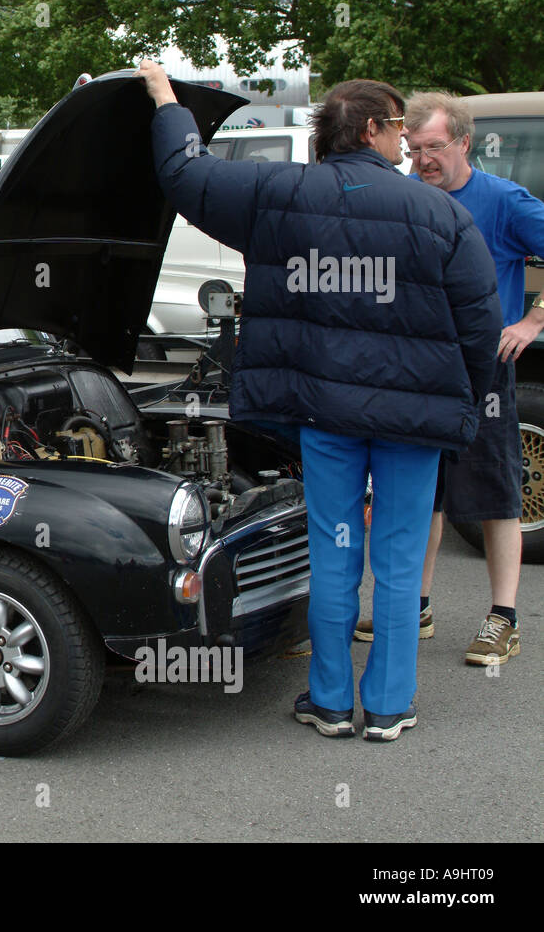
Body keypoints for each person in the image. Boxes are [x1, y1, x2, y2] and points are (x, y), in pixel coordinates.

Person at [136, 60, 501, 741]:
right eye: (397, 127)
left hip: (324, 415)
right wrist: (464, 400)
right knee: (395, 557)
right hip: (412, 423)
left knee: (334, 550)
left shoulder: (277, 194)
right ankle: (389, 705)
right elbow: (480, 322)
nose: (405, 141)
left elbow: (185, 175)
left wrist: (165, 98)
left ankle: (330, 700)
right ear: (368, 129)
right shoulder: (440, 213)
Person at [363, 91, 544, 666]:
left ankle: (503, 621)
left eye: (434, 148)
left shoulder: (504, 201)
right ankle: (416, 607)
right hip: (420, 371)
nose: (422, 160)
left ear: (464, 143)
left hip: (484, 370)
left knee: (494, 496)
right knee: (423, 493)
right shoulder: (408, 198)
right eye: (414, 150)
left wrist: (534, 320)